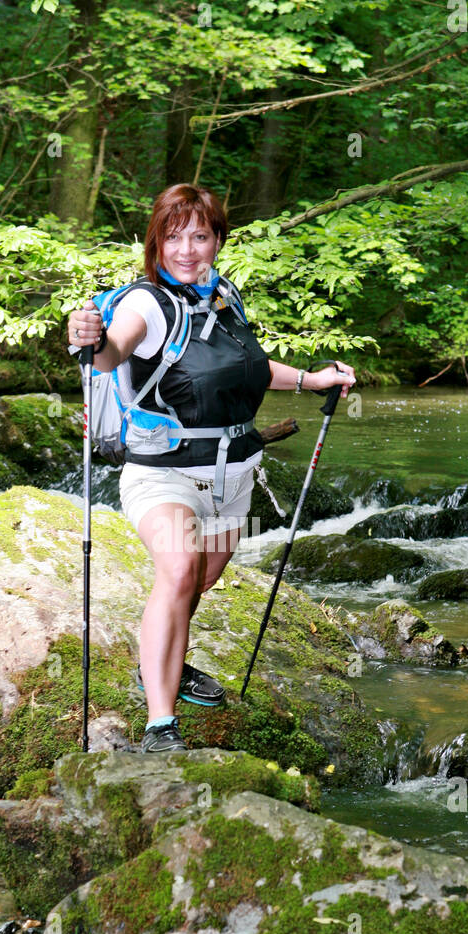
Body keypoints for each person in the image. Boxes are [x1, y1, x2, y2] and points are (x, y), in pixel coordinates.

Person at [67, 183, 355, 754]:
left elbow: (247, 367)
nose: (187, 249)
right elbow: (113, 352)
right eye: (174, 237)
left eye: (200, 236)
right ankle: (160, 722)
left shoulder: (225, 295)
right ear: (156, 242)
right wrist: (90, 341)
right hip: (163, 473)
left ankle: (167, 661)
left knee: (198, 581)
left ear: (219, 240)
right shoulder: (144, 304)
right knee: (177, 572)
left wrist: (312, 380)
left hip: (234, 476)